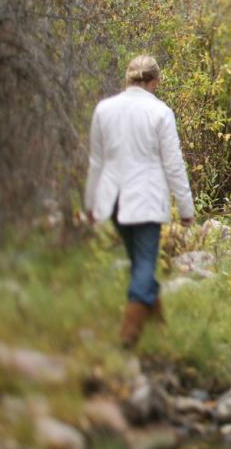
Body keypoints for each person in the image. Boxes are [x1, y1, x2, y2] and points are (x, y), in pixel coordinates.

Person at [84, 55, 195, 347]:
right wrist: (186, 208)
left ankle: (159, 330)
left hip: (113, 198)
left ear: (128, 78)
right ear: (155, 81)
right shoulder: (160, 112)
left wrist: (91, 202)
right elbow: (173, 164)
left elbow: (96, 161)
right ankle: (129, 335)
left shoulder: (104, 109)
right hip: (145, 198)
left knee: (139, 263)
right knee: (144, 264)